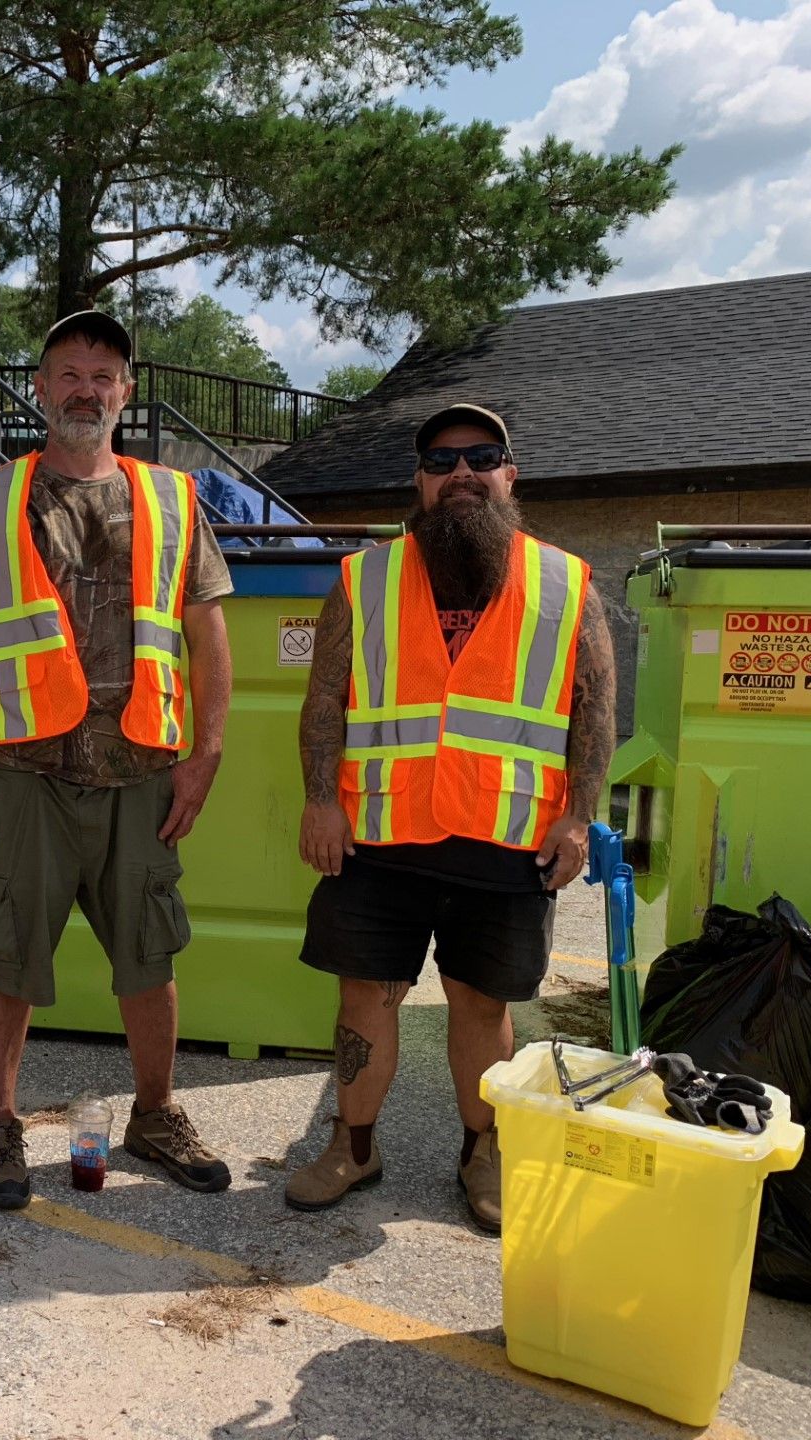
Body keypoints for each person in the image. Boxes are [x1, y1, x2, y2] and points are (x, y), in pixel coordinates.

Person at [285, 403, 616, 1232]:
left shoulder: (565, 583)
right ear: (420, 482)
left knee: (480, 1007)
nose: (460, 472)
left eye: (481, 456)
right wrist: (321, 800)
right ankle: (353, 1146)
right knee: (366, 1000)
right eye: (441, 459)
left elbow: (596, 707)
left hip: (506, 845)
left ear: (511, 474)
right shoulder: (366, 578)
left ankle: (484, 1153)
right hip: (381, 840)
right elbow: (326, 694)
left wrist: (578, 818)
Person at [0, 311, 236, 1210]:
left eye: (104, 376)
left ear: (127, 393)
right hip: (27, 774)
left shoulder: (175, 500)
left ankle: (155, 1113)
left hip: (143, 770)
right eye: (70, 373)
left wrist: (205, 753)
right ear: (39, 387)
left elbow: (207, 634)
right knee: (9, 956)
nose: (87, 391)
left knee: (150, 954)